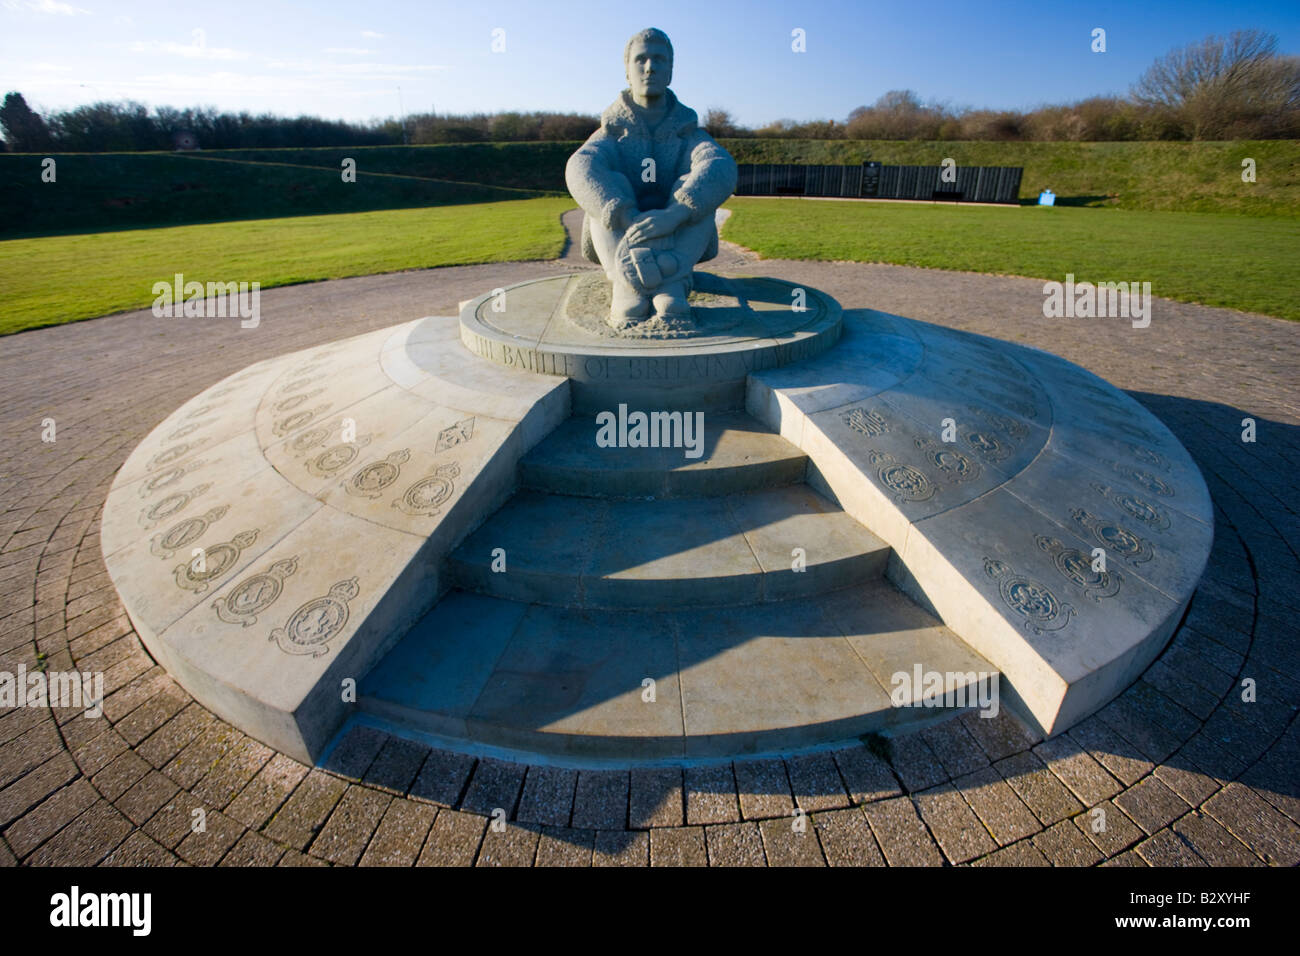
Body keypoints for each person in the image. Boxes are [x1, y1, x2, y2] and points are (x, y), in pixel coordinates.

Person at [566, 28, 738, 330]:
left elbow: (719, 164)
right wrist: (628, 216)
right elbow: (581, 166)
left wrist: (676, 214)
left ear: (670, 70)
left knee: (696, 190)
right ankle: (627, 283)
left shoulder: (687, 131)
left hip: (680, 236)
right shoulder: (611, 131)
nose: (650, 67)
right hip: (623, 235)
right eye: (641, 59)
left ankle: (670, 284)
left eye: (659, 59)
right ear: (627, 70)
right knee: (609, 189)